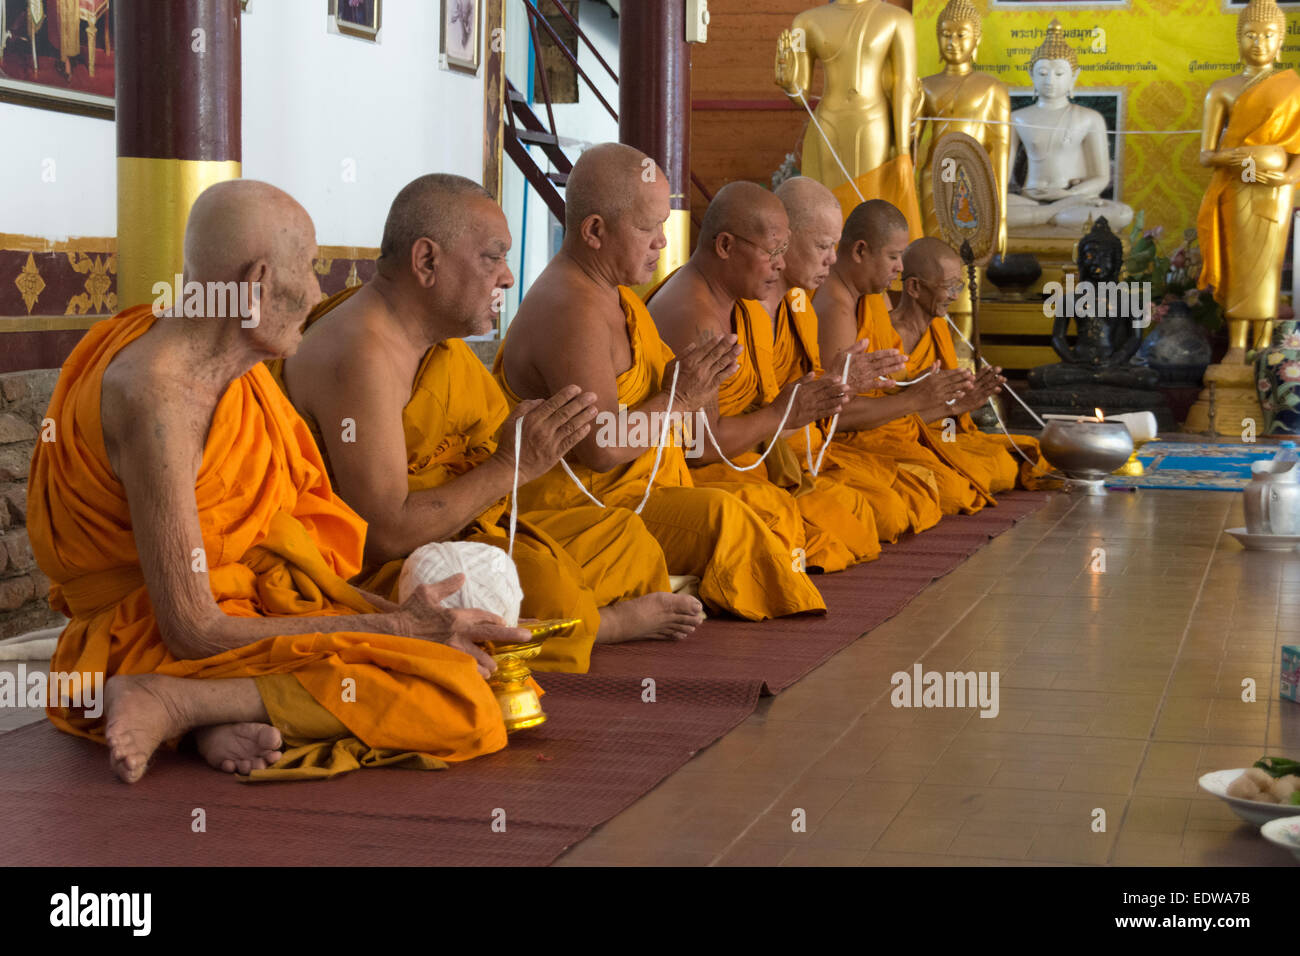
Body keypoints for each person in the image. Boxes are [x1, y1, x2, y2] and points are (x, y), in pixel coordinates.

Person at [28, 180, 525, 784]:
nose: (319, 292)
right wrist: (395, 629)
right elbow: (191, 627)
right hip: (142, 636)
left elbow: (281, 550)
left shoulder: (240, 373)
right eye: (310, 269)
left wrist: (407, 621)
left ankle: (216, 710)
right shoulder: (157, 395)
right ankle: (177, 701)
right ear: (259, 282)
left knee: (455, 667)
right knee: (456, 701)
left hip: (245, 611)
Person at [277, 174, 702, 674]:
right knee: (543, 581)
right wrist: (510, 465)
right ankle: (602, 626)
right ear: (427, 261)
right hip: (378, 568)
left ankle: (574, 616)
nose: (506, 277)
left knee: (621, 536)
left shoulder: (431, 343)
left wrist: (526, 451)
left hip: (463, 521)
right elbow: (385, 536)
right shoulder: (362, 355)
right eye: (491, 258)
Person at [495, 143, 826, 619]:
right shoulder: (573, 308)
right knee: (727, 517)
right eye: (649, 229)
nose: (663, 244)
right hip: (582, 508)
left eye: (662, 228)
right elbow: (603, 447)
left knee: (751, 512)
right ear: (594, 231)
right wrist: (680, 397)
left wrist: (677, 389)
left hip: (635, 492)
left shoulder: (614, 296)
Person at [648, 180, 882, 572]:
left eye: (784, 251)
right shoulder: (698, 316)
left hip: (752, 460)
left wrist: (820, 395)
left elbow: (766, 408)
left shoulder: (742, 305)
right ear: (725, 246)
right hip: (691, 474)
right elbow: (700, 448)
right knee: (778, 521)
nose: (781, 263)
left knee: (851, 510)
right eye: (774, 252)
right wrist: (784, 414)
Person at [766, 176, 941, 540]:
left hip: (802, 445)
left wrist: (930, 399)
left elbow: (823, 399)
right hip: (772, 456)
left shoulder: (799, 304)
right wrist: (914, 400)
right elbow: (832, 412)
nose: (832, 259)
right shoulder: (824, 304)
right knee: (886, 511)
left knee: (902, 501)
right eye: (823, 246)